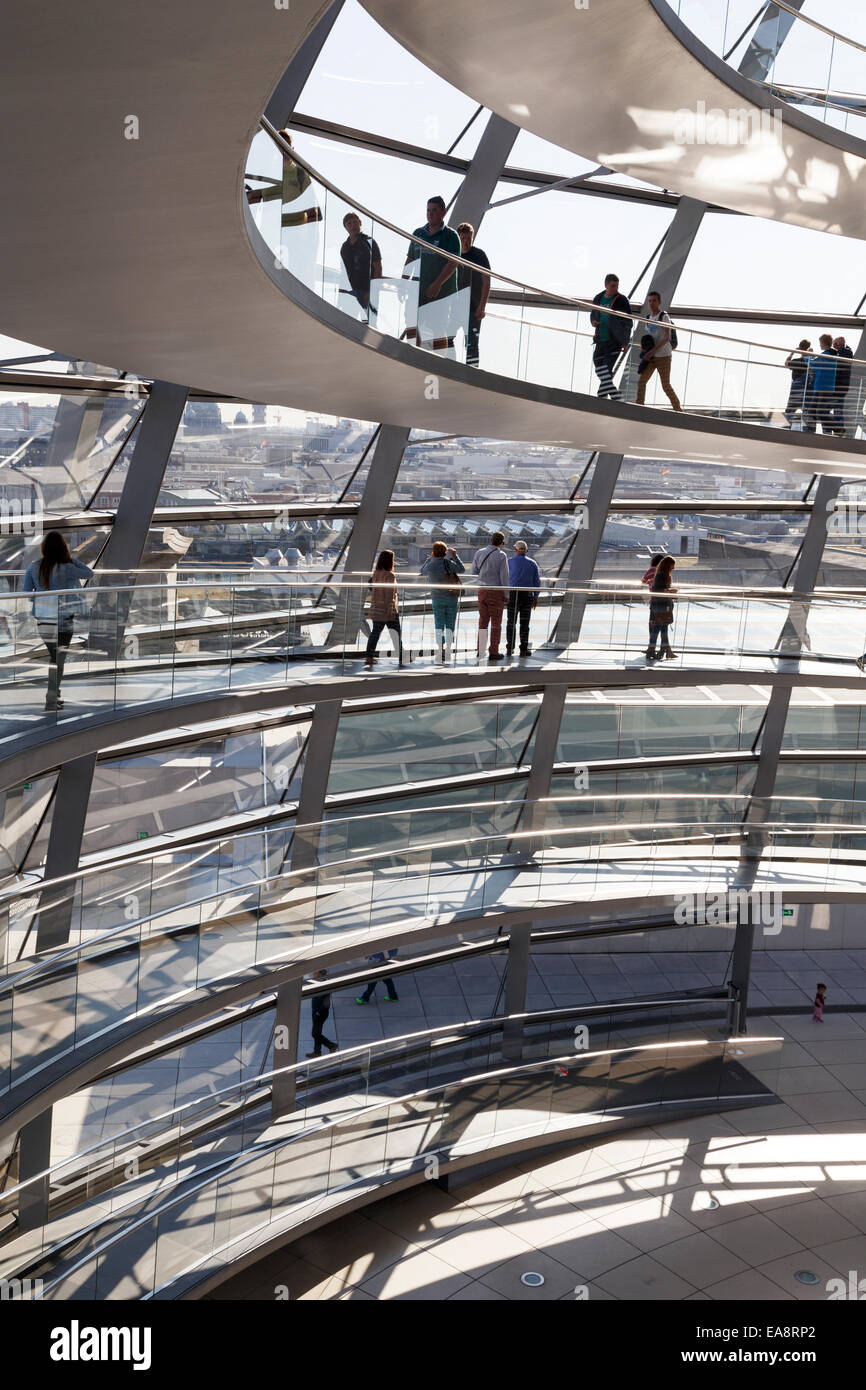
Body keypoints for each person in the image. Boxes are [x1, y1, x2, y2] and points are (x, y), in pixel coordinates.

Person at [22, 532, 93, 711]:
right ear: (62, 548)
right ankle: (51, 698)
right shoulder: (66, 567)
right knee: (57, 660)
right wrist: (71, 559)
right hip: (63, 621)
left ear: (44, 548)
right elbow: (88, 573)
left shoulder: (33, 566)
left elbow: (27, 593)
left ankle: (54, 694)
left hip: (43, 621)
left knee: (55, 658)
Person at [404, 196, 462, 354]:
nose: (430, 213)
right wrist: (404, 282)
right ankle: (415, 355)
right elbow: (410, 259)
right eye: (428, 210)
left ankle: (437, 361)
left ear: (443, 213)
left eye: (434, 210)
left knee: (438, 328)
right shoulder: (418, 233)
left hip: (441, 293)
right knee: (412, 324)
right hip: (418, 290)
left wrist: (437, 284)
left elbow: (453, 262)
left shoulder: (451, 236)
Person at [420, 540, 464, 664]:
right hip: (451, 596)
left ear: (433, 552)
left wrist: (429, 559)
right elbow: (461, 569)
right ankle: (448, 649)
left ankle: (440, 650)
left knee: (439, 624)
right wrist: (455, 555)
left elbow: (422, 570)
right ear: (445, 552)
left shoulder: (430, 565)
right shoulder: (449, 563)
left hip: (437, 598)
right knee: (450, 624)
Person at [636, 290, 681, 410]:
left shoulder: (664, 316)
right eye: (650, 301)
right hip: (652, 356)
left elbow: (667, 338)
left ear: (659, 302)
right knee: (641, 381)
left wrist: (652, 351)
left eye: (654, 301)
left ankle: (678, 409)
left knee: (665, 385)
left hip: (664, 356)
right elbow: (649, 338)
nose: (651, 303)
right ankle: (639, 407)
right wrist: (645, 350)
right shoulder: (648, 318)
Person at [589, 273, 632, 400]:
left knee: (606, 370)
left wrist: (625, 342)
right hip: (600, 339)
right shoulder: (598, 298)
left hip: (614, 341)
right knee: (598, 365)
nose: (615, 289)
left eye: (617, 286)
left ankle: (602, 397)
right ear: (606, 285)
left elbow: (628, 322)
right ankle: (615, 395)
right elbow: (593, 313)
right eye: (613, 286)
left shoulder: (622, 300)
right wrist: (593, 322)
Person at [471, 531, 510, 662]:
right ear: (501, 543)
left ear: (490, 540)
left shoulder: (479, 552)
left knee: (483, 621)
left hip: (482, 591)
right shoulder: (501, 555)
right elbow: (504, 577)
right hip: (496, 592)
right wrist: (506, 594)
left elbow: (473, 572)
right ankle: (493, 651)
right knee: (496, 623)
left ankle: (480, 650)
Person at [456, 222, 491, 366]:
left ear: (472, 238)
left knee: (472, 342)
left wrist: (482, 306)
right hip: (455, 305)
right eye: (462, 238)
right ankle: (448, 365)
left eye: (468, 239)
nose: (465, 242)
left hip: (474, 307)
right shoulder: (454, 254)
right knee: (448, 335)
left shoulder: (479, 255)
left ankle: (471, 371)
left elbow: (487, 281)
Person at [365, 549, 403, 669]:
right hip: (388, 609)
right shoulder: (390, 575)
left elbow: (372, 588)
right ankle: (402, 657)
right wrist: (390, 611)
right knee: (396, 634)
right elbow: (390, 595)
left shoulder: (376, 573)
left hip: (376, 608)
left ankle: (369, 657)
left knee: (375, 633)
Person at [339, 212, 382, 316]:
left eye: (355, 222)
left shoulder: (369, 242)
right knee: (347, 323)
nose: (353, 225)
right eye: (349, 223)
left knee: (369, 326)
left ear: (360, 223)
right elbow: (343, 272)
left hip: (367, 291)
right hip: (350, 291)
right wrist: (341, 294)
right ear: (345, 227)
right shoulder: (344, 248)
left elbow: (378, 268)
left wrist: (372, 292)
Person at [506, 540, 540, 657]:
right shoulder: (533, 563)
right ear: (526, 550)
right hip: (527, 595)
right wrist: (535, 597)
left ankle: (510, 648)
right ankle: (524, 649)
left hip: (513, 595)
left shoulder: (509, 562)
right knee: (525, 623)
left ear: (515, 550)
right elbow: (537, 582)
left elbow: (505, 578)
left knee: (511, 622)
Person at [804, 335, 837, 434]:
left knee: (820, 412)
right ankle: (811, 431)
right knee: (812, 411)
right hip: (820, 387)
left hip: (824, 387)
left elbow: (813, 363)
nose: (819, 344)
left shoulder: (827, 355)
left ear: (823, 342)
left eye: (820, 342)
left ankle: (838, 429)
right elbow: (818, 365)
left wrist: (807, 355)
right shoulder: (830, 354)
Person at [647, 555, 677, 661]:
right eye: (673, 566)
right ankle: (652, 650)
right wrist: (671, 591)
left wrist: (669, 590)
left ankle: (663, 651)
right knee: (658, 629)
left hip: (660, 604)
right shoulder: (662, 576)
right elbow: (660, 590)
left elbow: (658, 589)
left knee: (663, 629)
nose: (674, 568)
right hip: (661, 605)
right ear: (668, 565)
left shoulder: (661, 575)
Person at [307, 969, 338, 1057]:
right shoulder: (317, 982)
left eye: (315, 973)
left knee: (315, 1033)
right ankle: (317, 1052)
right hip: (316, 1012)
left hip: (320, 1013)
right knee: (317, 1032)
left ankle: (331, 1045)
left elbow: (327, 1003)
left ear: (320, 975)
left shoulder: (324, 985)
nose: (313, 974)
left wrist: (318, 1012)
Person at [783, 339, 811, 428]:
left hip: (796, 391)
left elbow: (786, 363)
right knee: (806, 413)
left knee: (789, 412)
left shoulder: (797, 361)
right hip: (807, 390)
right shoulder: (811, 361)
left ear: (800, 348)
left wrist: (792, 352)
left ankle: (785, 432)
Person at [831, 336, 853, 436]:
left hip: (838, 384)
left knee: (836, 406)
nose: (833, 345)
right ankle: (839, 428)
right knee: (838, 406)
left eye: (834, 343)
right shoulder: (848, 352)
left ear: (837, 344)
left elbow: (838, 369)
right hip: (844, 384)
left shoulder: (841, 354)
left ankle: (838, 428)